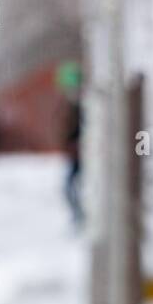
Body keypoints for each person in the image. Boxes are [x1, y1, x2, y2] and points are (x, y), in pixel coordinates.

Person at [63, 95, 84, 225]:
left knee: (72, 187)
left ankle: (79, 215)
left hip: (80, 158)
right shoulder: (74, 111)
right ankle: (78, 215)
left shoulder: (80, 112)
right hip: (76, 158)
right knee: (70, 187)